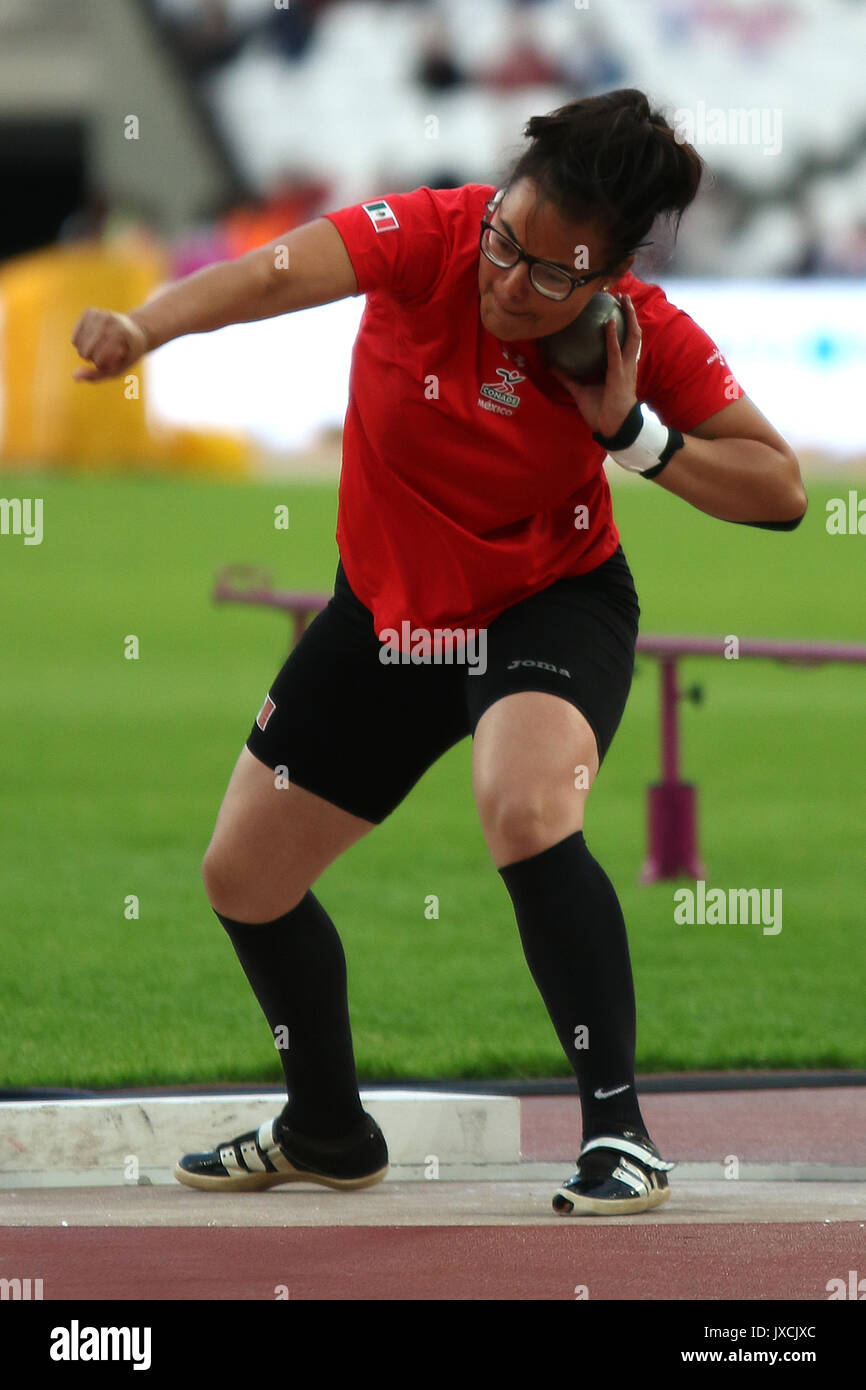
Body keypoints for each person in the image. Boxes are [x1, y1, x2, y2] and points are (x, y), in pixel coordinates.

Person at [71, 89, 807, 1215]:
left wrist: (631, 436)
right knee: (244, 878)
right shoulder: (428, 238)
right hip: (386, 616)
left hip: (545, 605)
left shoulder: (637, 333)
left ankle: (619, 1133)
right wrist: (146, 327)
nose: (507, 282)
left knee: (522, 806)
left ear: (602, 280)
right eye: (506, 242)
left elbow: (778, 488)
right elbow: (272, 276)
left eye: (549, 273)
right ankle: (325, 1127)